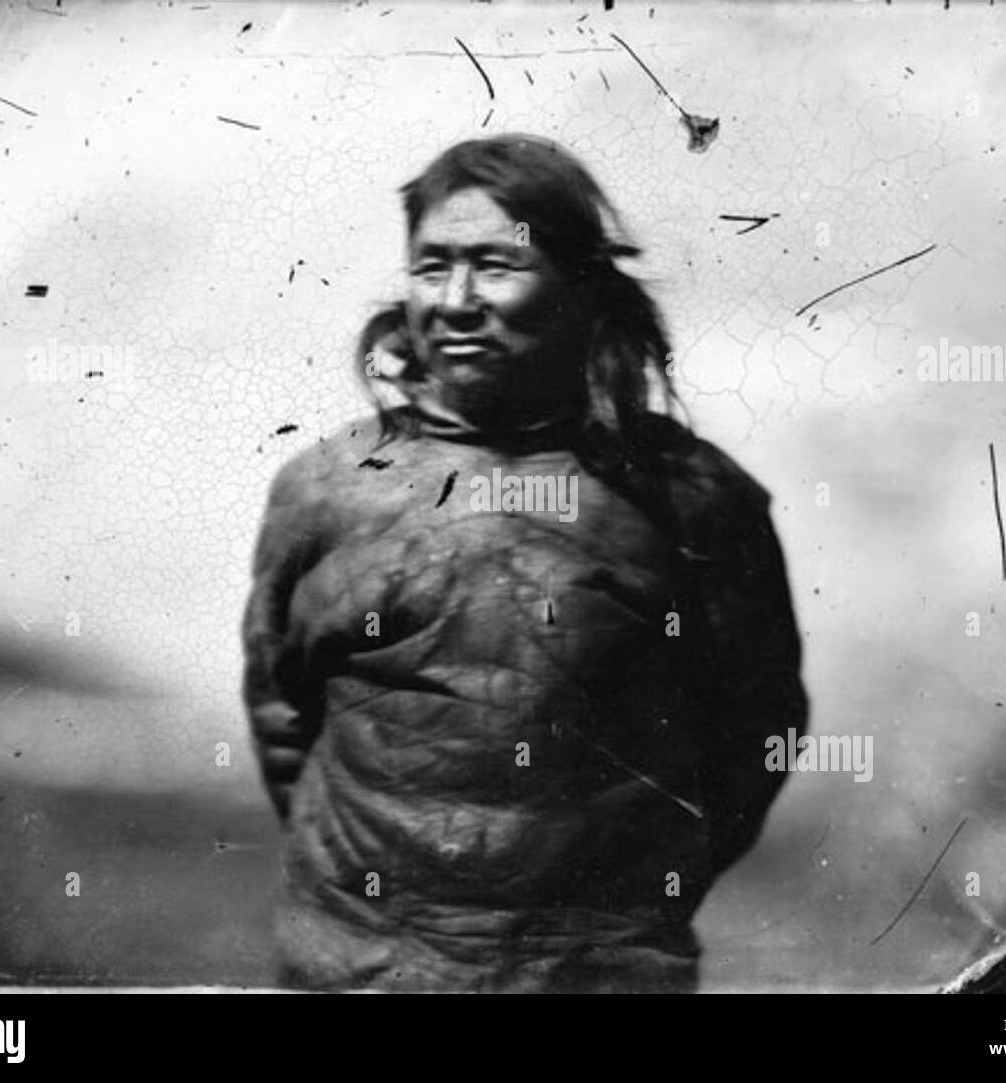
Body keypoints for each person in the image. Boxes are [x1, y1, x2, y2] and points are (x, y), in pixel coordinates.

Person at [241, 134, 808, 992]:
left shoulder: (691, 499)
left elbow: (756, 729)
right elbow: (284, 713)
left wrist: (621, 910)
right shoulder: (327, 491)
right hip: (358, 970)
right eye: (433, 266)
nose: (458, 300)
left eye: (498, 264)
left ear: (581, 284)